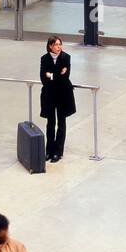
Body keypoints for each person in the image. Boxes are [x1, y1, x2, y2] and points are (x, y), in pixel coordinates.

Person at [39, 35, 75, 163]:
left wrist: (51, 75)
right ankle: (49, 150)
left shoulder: (66, 58)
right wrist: (56, 75)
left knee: (61, 122)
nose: (59, 47)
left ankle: (58, 152)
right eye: (56, 45)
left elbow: (64, 77)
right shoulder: (44, 59)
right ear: (50, 46)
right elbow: (43, 79)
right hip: (49, 95)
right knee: (50, 123)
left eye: (60, 44)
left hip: (62, 95)